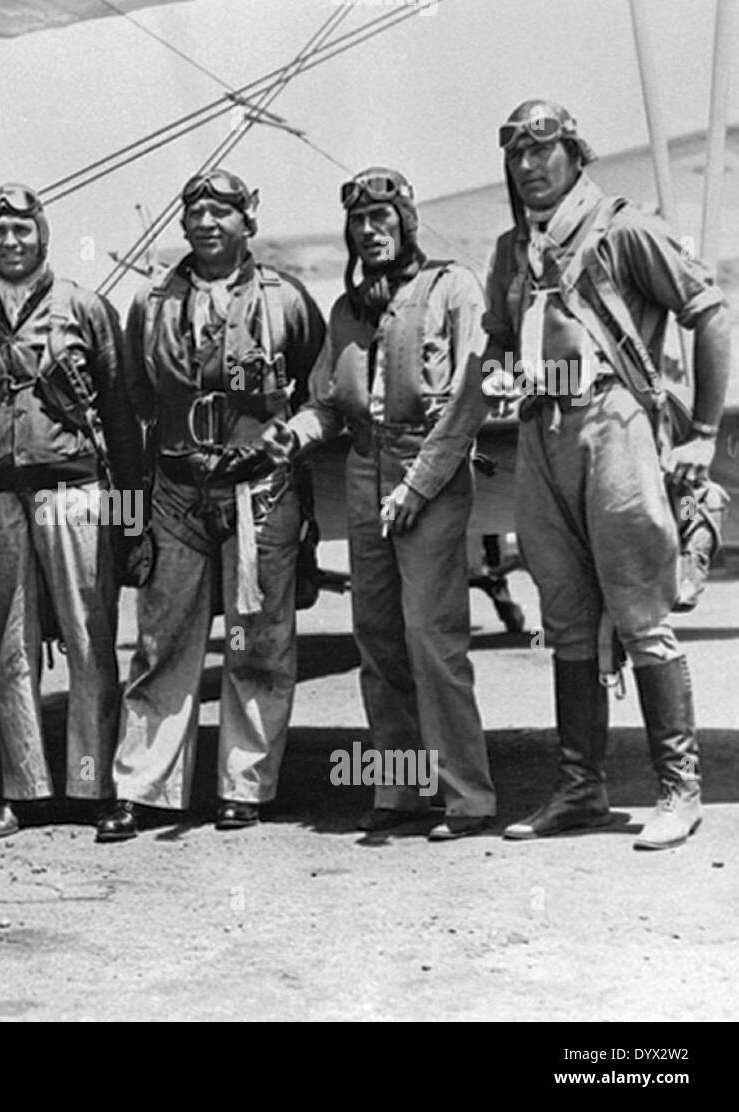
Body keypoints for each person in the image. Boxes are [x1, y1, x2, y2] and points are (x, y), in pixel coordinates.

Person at [482, 101, 731, 849]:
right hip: (540, 432)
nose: (530, 166)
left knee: (641, 614)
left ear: (575, 154)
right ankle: (579, 789)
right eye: (518, 156)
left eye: (545, 151)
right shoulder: (508, 250)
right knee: (565, 618)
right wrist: (500, 376)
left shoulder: (624, 228)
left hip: (613, 424)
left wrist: (707, 435)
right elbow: (499, 340)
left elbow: (709, 311)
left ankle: (678, 789)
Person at [97, 169, 325, 842]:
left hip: (260, 493)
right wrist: (131, 527)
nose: (205, 222)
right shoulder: (153, 303)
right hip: (174, 492)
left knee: (258, 643)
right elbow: (130, 416)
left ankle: (243, 785)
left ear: (247, 221)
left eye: (221, 210)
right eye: (194, 210)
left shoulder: (287, 301)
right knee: (160, 643)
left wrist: (281, 445)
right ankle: (143, 787)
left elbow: (318, 398)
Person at [284, 168, 497, 840]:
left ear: (406, 221)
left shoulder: (452, 287)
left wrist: (418, 484)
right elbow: (325, 403)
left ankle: (468, 797)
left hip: (426, 471)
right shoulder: (348, 311)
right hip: (364, 468)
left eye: (382, 219)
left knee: (431, 637)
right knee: (377, 639)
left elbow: (469, 397)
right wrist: (284, 438)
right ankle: (401, 789)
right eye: (359, 223)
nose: (371, 232)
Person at [0, 183, 143, 840]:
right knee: (11, 648)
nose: (11, 242)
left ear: (42, 235)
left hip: (75, 491)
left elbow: (120, 420)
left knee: (89, 640)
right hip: (0, 499)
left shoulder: (84, 308)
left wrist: (134, 522)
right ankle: (23, 792)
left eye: (23, 231)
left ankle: (94, 784)